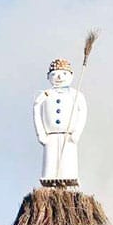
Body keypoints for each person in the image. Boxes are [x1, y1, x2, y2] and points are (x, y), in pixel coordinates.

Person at [33, 58, 87, 188]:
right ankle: (50, 178)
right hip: (50, 135)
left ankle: (67, 177)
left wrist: (77, 132)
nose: (58, 76)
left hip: (68, 134)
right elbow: (37, 112)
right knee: (51, 161)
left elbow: (82, 112)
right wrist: (41, 134)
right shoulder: (44, 95)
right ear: (48, 76)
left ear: (71, 76)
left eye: (63, 73)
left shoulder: (76, 95)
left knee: (67, 160)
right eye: (54, 74)